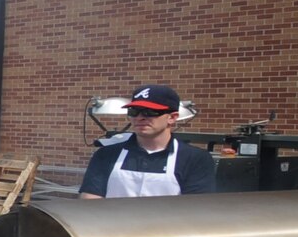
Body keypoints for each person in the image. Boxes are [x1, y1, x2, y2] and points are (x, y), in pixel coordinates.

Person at [80, 84, 216, 198]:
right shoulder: (106, 155)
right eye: (134, 111)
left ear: (172, 117)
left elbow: (195, 210)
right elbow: (91, 201)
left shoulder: (195, 159)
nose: (140, 117)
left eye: (150, 112)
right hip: (112, 222)